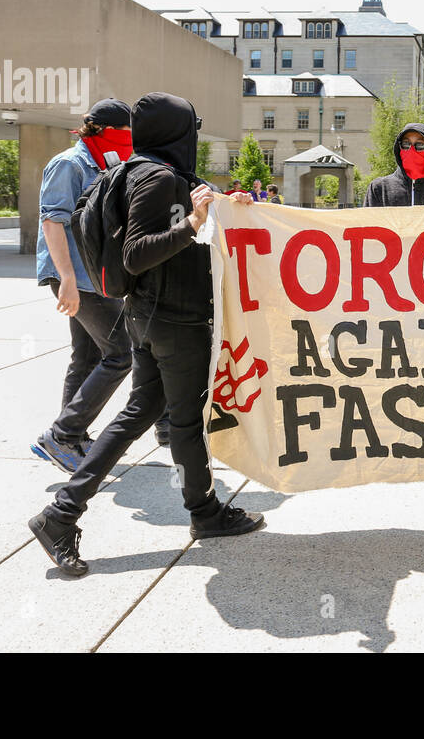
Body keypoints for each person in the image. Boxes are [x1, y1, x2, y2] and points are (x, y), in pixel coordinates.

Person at [29, 93, 263, 577]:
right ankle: (205, 513)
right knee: (184, 423)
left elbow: (187, 200)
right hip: (173, 319)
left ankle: (61, 513)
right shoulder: (155, 177)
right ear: (177, 133)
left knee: (140, 413)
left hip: (148, 316)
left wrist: (226, 205)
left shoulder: (144, 168)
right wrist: (194, 224)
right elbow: (137, 252)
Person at [31, 99, 168, 472]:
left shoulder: (105, 162)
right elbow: (52, 222)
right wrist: (68, 281)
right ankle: (62, 434)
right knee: (120, 353)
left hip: (94, 275)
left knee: (88, 356)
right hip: (77, 276)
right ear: (101, 131)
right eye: (125, 135)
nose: (129, 143)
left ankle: (69, 438)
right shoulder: (68, 164)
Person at [363, 123, 424, 207]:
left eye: (419, 145)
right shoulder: (379, 188)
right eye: (406, 144)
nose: (411, 150)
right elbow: (368, 221)